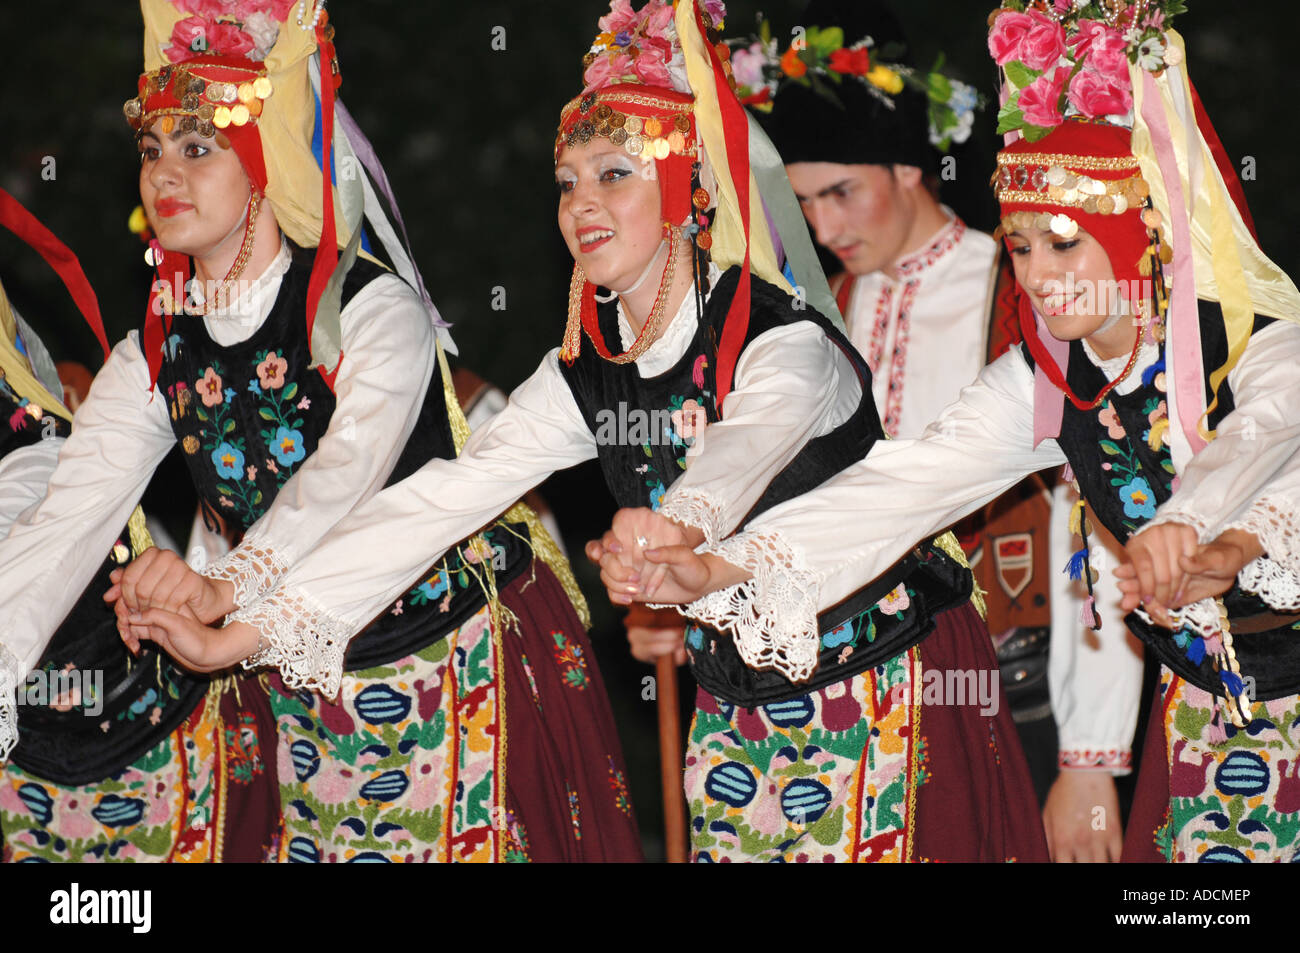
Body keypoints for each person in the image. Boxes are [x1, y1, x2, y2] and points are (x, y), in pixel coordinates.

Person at [124, 0, 1047, 864]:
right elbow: (436, 502)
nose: (580, 204)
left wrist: (677, 528)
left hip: (883, 676)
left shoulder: (784, 341)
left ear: (685, 188)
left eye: (615, 175)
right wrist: (234, 631)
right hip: (739, 703)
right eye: (567, 182)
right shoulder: (584, 366)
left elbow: (740, 449)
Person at [604, 2, 1300, 863]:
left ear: (1140, 237)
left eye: (1065, 244)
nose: (1039, 278)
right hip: (1209, 702)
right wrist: (718, 566)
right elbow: (904, 482)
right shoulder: (1048, 378)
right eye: (1021, 247)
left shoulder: (1261, 344)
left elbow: (1266, 434)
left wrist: (1196, 528)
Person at [0, 0, 639, 863]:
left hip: (445, 659)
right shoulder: (161, 339)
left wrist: (221, 588)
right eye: (151, 151)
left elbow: (340, 482)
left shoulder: (366, 309)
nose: (162, 176)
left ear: (264, 159)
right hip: (293, 680)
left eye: (198, 147)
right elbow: (65, 520)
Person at [729, 0, 1144, 859]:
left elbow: (1097, 512)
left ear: (911, 169)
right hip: (874, 690)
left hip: (1024, 687)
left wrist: (1090, 753)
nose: (825, 227)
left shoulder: (1021, 283)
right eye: (805, 204)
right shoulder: (824, 313)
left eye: (842, 191)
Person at [0, 188, 277, 862]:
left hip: (156, 746)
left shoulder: (29, 437)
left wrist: (222, 592)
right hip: (30, 767)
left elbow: (41, 538)